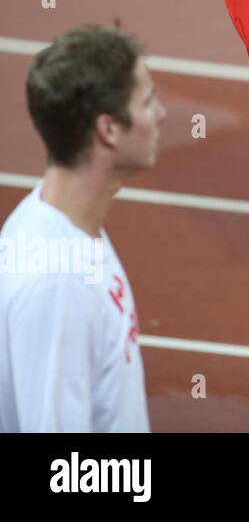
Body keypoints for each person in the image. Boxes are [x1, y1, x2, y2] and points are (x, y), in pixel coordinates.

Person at [0, 24, 165, 432]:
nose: (160, 114)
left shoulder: (67, 225)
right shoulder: (58, 284)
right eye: (147, 102)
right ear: (108, 129)